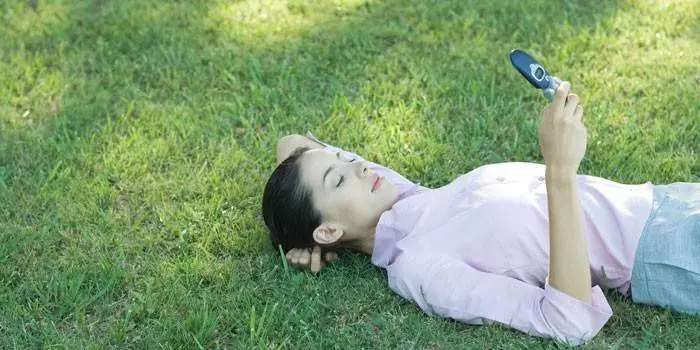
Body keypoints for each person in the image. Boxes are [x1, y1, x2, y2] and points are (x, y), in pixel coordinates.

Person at [261, 82, 700, 345]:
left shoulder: (406, 199)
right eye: (339, 179)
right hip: (669, 252)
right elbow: (566, 321)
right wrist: (560, 173)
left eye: (345, 160)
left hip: (668, 199)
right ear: (331, 228)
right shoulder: (420, 268)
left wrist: (304, 240)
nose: (359, 165)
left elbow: (293, 143)